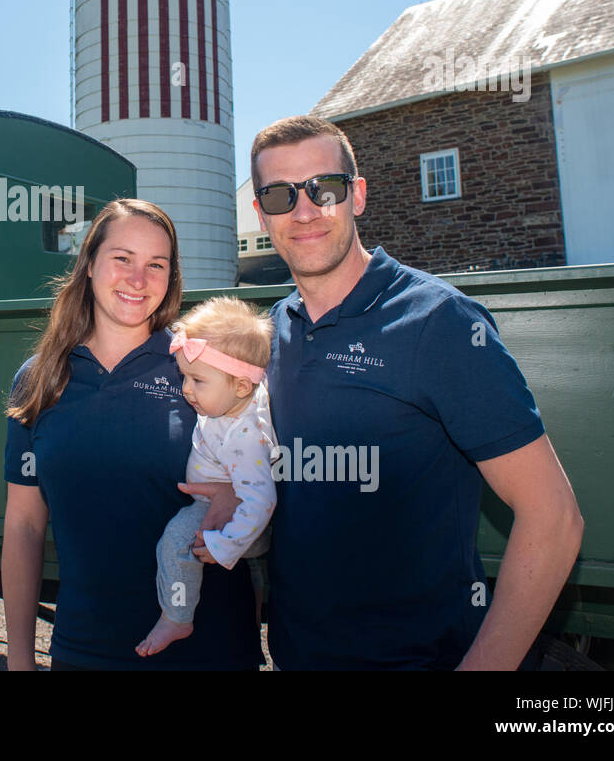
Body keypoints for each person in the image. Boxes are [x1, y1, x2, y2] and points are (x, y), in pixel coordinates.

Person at [191, 115, 583, 670]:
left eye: (324, 188)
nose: (304, 210)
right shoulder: (271, 333)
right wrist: (234, 489)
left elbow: (554, 516)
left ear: (358, 196)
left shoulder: (439, 322)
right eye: (279, 195)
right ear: (260, 214)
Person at [1, 198, 261, 670]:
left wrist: (239, 496)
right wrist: (19, 655)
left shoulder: (199, 367)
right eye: (122, 258)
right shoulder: (39, 379)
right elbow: (23, 526)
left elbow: (270, 466)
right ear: (89, 265)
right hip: (86, 650)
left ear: (171, 276)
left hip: (208, 650)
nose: (137, 280)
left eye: (155, 265)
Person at [135, 297, 277, 658]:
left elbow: (261, 499)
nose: (186, 389)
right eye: (184, 376)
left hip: (230, 513)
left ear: (242, 386)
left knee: (175, 543)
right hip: (237, 512)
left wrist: (227, 543)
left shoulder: (243, 436)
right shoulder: (234, 400)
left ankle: (177, 615)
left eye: (197, 380)